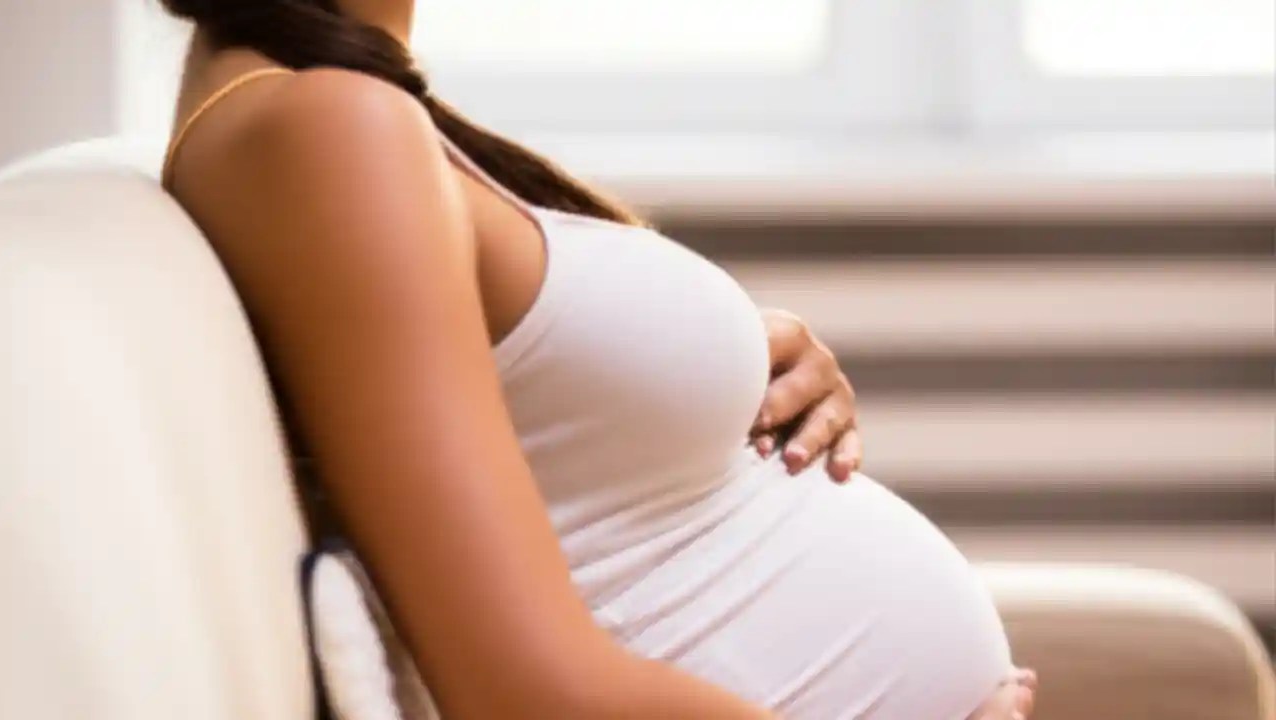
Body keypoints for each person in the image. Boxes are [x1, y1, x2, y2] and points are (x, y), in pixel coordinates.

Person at [158, 1, 1037, 717]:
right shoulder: (323, 129)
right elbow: (529, 698)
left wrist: (730, 357)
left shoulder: (331, 102)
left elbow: (530, 407)